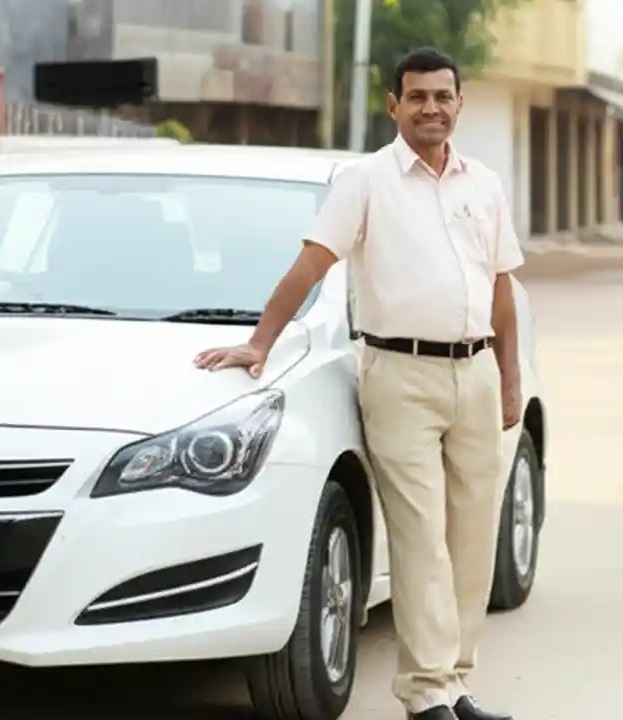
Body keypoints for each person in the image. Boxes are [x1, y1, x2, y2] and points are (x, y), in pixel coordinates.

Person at [193, 47, 523, 720]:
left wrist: (509, 380)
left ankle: (456, 681)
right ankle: (426, 689)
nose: (431, 107)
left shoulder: (483, 184)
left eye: (442, 95)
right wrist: (260, 340)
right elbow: (312, 264)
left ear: (460, 104)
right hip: (400, 375)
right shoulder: (366, 181)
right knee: (421, 533)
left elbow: (501, 289)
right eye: (417, 96)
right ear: (394, 106)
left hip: (477, 373)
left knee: (471, 539)